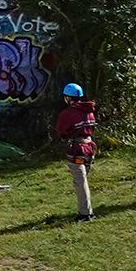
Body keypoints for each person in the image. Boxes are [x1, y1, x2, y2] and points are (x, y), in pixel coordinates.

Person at [53, 83, 97, 222]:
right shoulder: (89, 111)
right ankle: (87, 210)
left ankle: (85, 214)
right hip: (89, 148)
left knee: (80, 181)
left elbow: (61, 131)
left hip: (76, 149)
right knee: (84, 179)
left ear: (67, 98)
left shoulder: (67, 114)